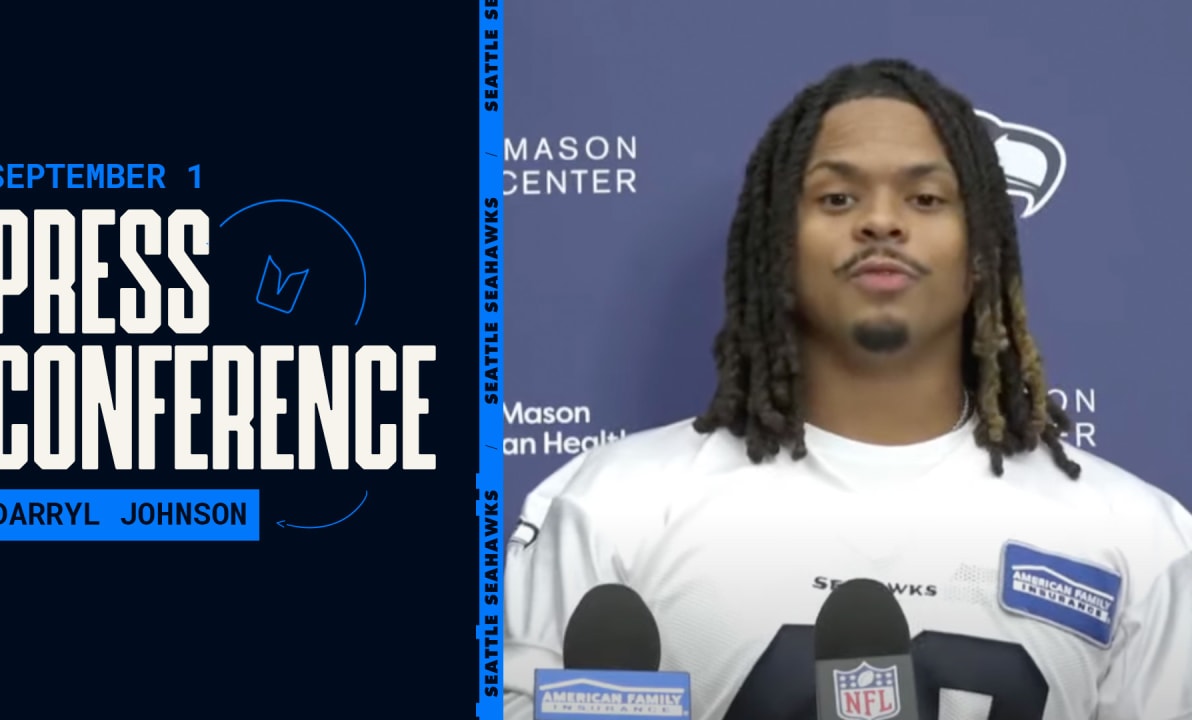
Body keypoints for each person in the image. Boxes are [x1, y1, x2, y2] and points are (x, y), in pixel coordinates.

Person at [502, 59, 1192, 720]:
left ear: (982, 251)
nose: (882, 223)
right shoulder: (610, 509)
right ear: (775, 241)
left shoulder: (1138, 541)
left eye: (926, 198)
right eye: (838, 197)